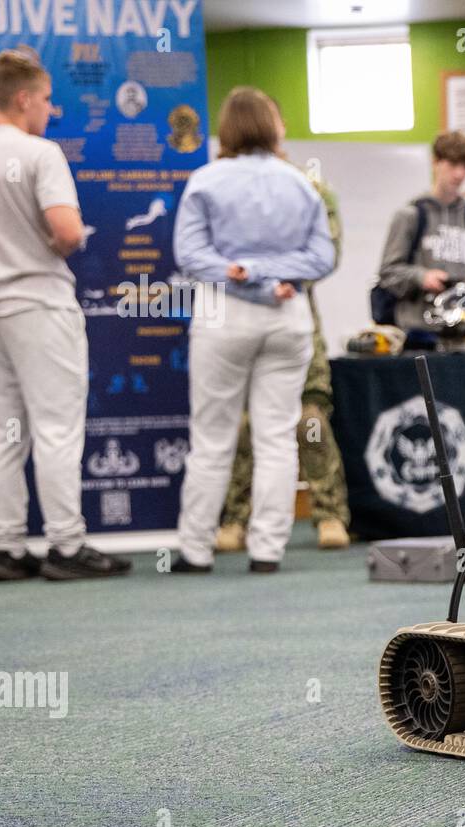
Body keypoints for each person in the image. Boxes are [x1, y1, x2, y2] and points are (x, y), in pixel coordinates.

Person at [0, 50, 129, 582]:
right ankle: (66, 545)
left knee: (0, 432)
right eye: (47, 99)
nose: (51, 109)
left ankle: (9, 548)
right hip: (38, 303)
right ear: (23, 98)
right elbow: (66, 231)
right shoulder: (40, 153)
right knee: (57, 427)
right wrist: (61, 241)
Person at [172, 86, 335, 573]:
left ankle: (195, 550)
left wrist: (245, 272)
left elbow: (191, 256)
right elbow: (321, 257)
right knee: (278, 436)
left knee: (212, 437)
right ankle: (267, 550)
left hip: (224, 317)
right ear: (271, 126)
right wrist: (273, 279)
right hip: (288, 317)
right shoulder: (301, 184)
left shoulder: (204, 180)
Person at [215, 100, 350, 554]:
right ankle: (236, 518)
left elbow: (325, 254)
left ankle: (329, 514)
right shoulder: (222, 187)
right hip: (238, 323)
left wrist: (271, 279)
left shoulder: (308, 188)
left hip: (295, 323)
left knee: (310, 421)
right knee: (245, 425)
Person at [375, 131, 465, 346]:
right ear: (436, 162)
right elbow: (387, 273)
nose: (459, 174)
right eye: (453, 165)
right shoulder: (410, 215)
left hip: (461, 336)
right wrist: (422, 277)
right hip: (418, 333)